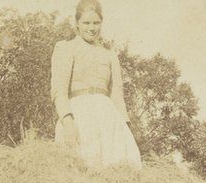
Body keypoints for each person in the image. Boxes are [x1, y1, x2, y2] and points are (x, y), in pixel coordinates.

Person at [50, 0, 142, 168]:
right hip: (79, 115)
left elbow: (116, 94)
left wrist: (125, 128)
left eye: (96, 23)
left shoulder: (109, 55)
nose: (92, 28)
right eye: (86, 23)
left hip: (108, 117)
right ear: (77, 23)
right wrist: (68, 123)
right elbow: (59, 92)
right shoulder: (66, 48)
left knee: (118, 168)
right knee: (83, 167)